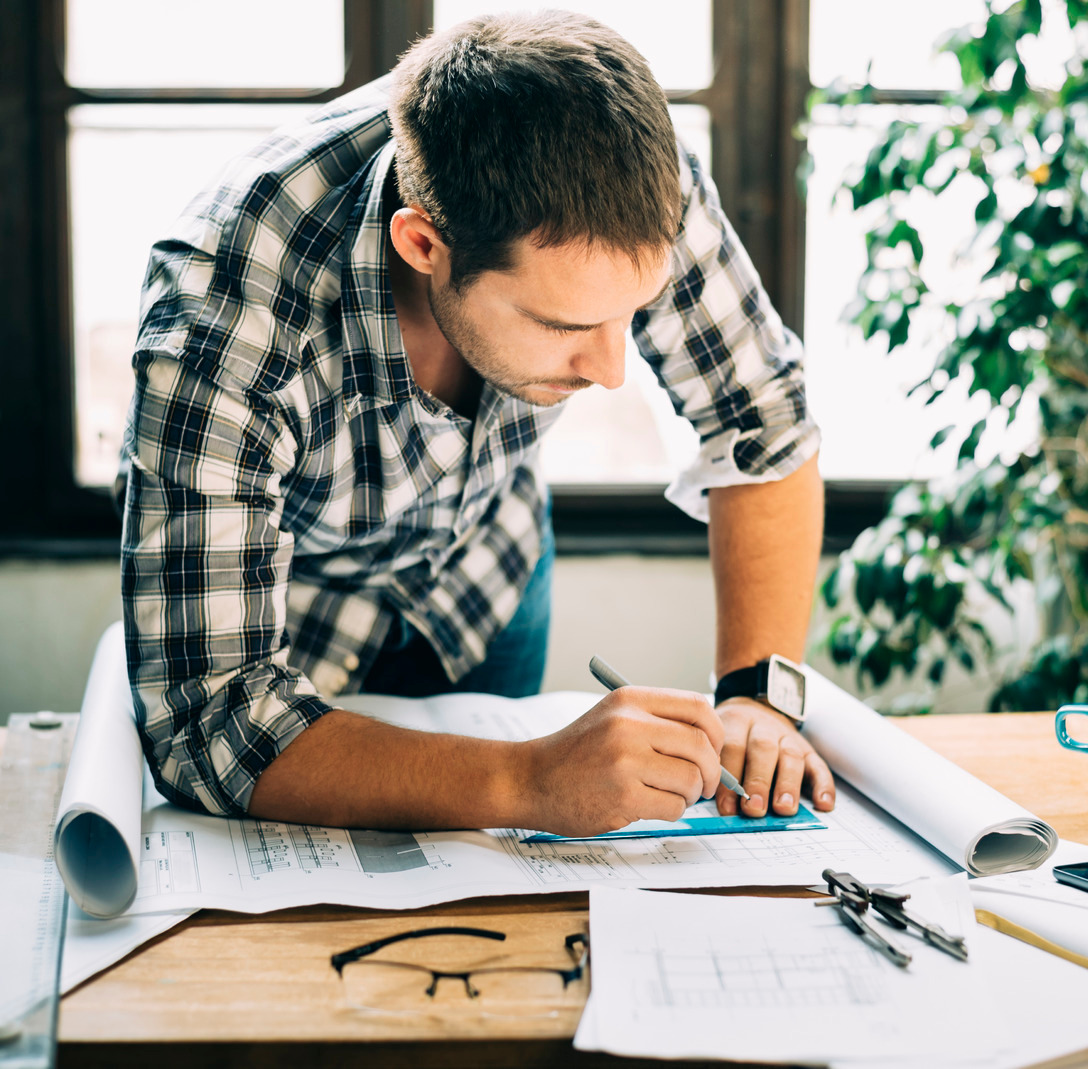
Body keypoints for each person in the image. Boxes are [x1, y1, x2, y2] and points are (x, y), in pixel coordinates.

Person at [118, 10, 833, 838]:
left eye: (631, 313)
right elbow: (210, 725)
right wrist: (529, 778)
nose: (612, 371)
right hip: (296, 617)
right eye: (563, 325)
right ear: (424, 244)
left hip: (486, 579)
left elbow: (763, 419)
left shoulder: (639, 182)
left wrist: (756, 693)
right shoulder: (224, 310)